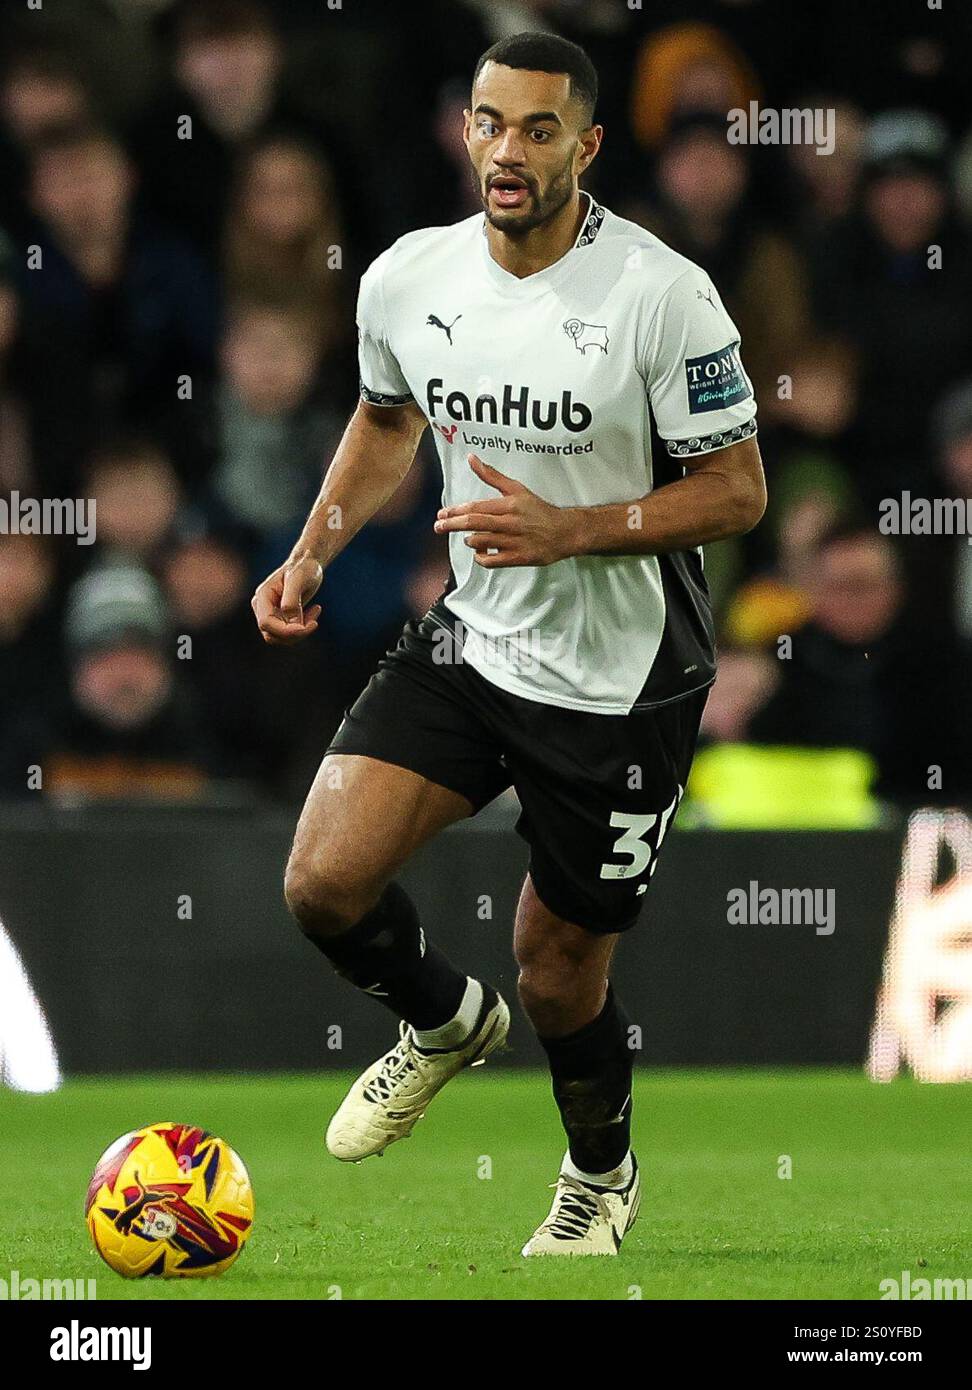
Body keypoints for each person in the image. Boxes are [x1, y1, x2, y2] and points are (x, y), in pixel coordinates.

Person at [251, 32, 765, 1257]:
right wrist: (313, 549)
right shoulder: (407, 278)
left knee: (556, 970)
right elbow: (387, 420)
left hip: (622, 681)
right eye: (490, 122)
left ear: (588, 146)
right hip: (474, 643)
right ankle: (441, 1020)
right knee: (322, 883)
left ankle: (599, 1175)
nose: (508, 150)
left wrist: (574, 528)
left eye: (540, 129)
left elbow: (739, 490)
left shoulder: (662, 295)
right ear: (465, 131)